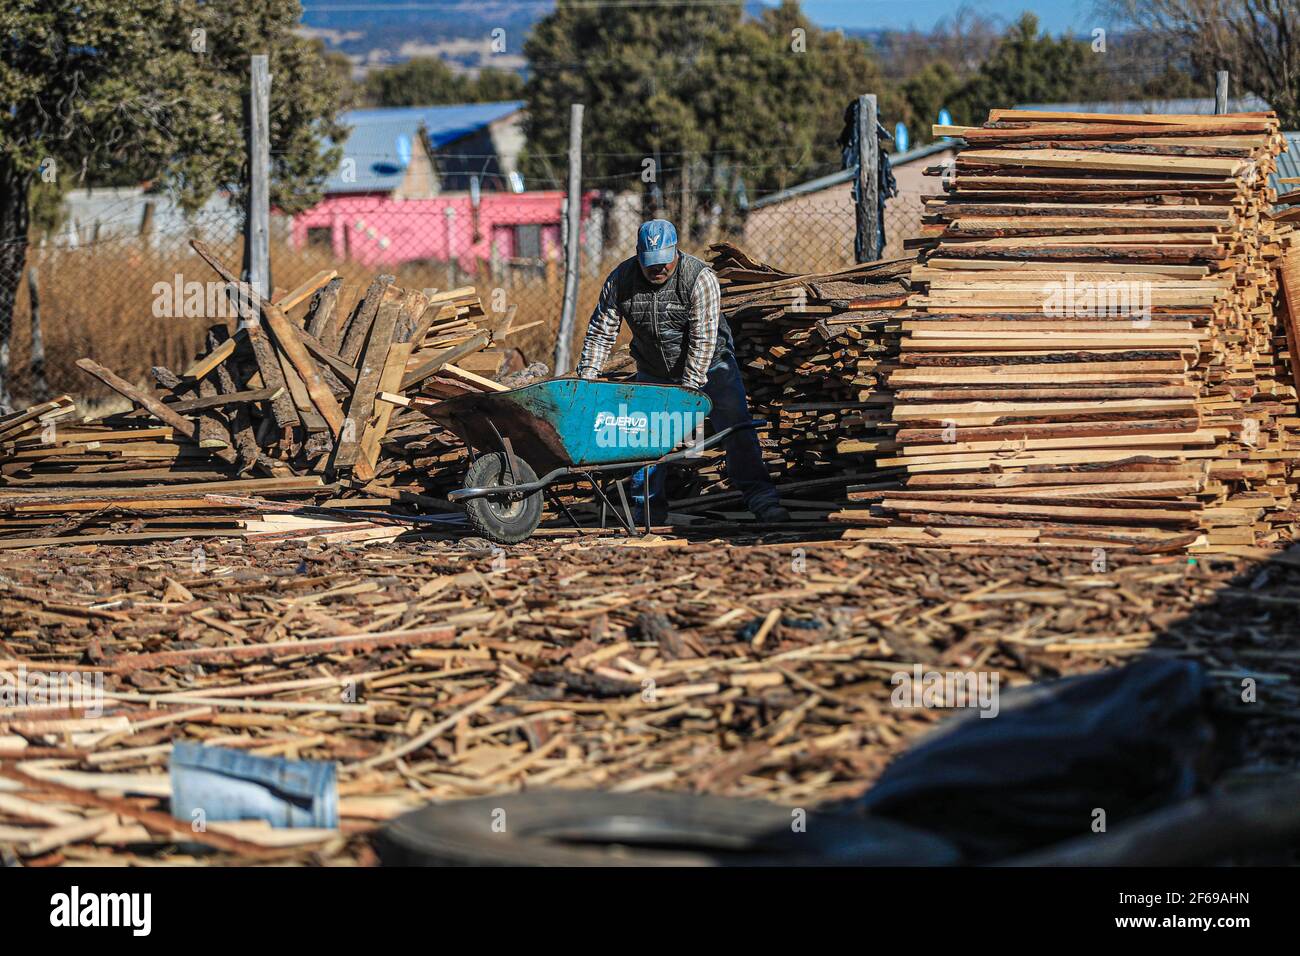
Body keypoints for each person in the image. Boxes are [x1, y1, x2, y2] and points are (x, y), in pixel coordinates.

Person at [575, 219, 790, 524]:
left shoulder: (699, 278)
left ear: (675, 252)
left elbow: (703, 340)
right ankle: (647, 512)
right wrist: (587, 378)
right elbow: (601, 331)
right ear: (638, 255)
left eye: (664, 262)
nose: (657, 269)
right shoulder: (621, 280)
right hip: (654, 371)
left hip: (713, 368)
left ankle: (763, 501)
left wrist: (687, 392)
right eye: (650, 264)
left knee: (736, 429)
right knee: (644, 439)